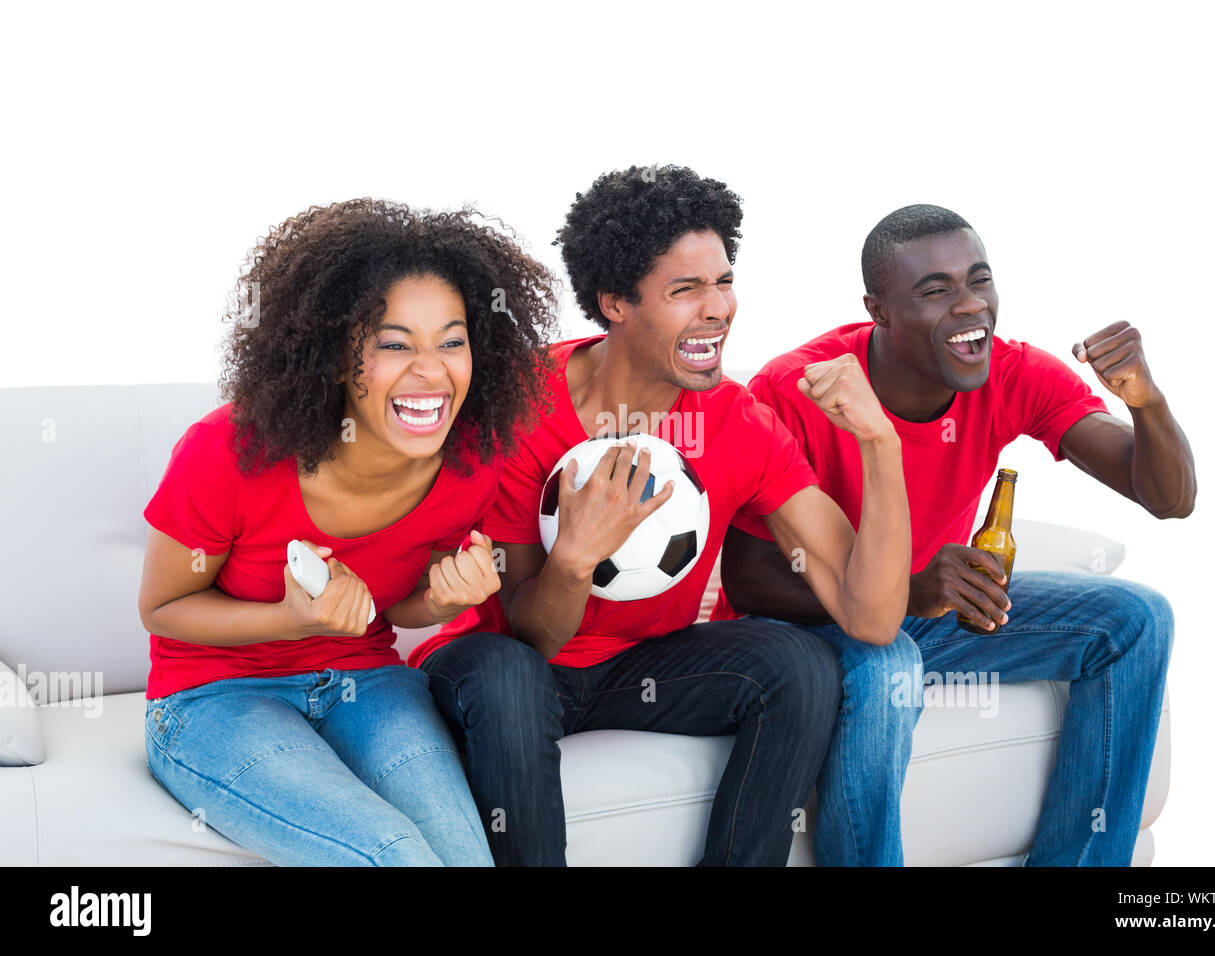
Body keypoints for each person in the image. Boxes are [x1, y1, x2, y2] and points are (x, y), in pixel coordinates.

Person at [408, 165, 912, 866]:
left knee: (801, 665)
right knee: (506, 677)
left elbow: (872, 618)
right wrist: (578, 558)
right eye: (685, 290)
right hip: (513, 668)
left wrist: (878, 441)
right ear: (615, 302)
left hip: (642, 667)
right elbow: (533, 635)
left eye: (724, 281)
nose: (718, 308)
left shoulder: (739, 423)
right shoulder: (522, 405)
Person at [715, 204, 1195, 866]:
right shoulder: (800, 386)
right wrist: (902, 594)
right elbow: (746, 579)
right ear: (877, 311)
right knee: (888, 664)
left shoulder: (1013, 371)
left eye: (980, 280)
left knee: (1136, 619)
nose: (971, 307)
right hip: (811, 630)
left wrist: (1147, 402)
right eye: (936, 291)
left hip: (921, 614)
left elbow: (1169, 499)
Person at [137, 198, 559, 865]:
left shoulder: (472, 458)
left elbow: (393, 608)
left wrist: (443, 602)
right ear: (335, 358)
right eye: (395, 344)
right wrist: (291, 618)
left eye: (452, 340)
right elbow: (161, 610)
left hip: (366, 681)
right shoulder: (227, 452)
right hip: (214, 698)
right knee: (394, 856)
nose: (431, 369)